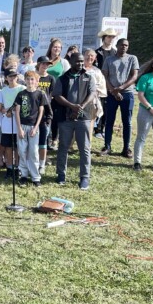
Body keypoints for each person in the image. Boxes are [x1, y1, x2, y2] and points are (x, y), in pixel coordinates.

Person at [53, 54, 97, 191]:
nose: (80, 64)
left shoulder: (88, 77)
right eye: (77, 61)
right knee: (63, 146)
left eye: (82, 61)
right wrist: (72, 106)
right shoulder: (62, 78)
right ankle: (61, 174)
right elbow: (57, 95)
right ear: (71, 62)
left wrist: (81, 107)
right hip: (65, 117)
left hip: (84, 117)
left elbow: (92, 93)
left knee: (84, 148)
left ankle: (84, 177)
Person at [102, 38, 140, 158]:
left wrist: (121, 88)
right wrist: (113, 90)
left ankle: (126, 148)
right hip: (111, 94)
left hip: (127, 93)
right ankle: (107, 146)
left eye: (126, 45)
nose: (124, 47)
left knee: (127, 122)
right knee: (109, 121)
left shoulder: (132, 58)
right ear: (117, 45)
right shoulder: (109, 59)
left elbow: (134, 76)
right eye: (122, 45)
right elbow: (104, 76)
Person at [13, 71, 50, 186]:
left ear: (36, 81)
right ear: (25, 80)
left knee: (33, 152)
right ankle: (23, 175)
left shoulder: (40, 94)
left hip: (34, 127)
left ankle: (35, 177)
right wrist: (19, 128)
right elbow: (17, 112)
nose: (30, 81)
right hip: (22, 126)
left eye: (32, 79)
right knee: (22, 151)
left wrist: (36, 127)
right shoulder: (21, 94)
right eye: (28, 79)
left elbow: (41, 112)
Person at [44, 37, 69, 150]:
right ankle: (45, 139)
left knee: (56, 117)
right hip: (44, 93)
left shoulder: (63, 62)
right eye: (55, 47)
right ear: (51, 48)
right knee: (45, 117)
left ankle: (54, 139)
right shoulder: (45, 60)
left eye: (59, 47)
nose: (57, 49)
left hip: (58, 94)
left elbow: (67, 77)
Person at [0, 68, 25, 178]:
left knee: (18, 147)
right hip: (6, 122)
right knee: (9, 147)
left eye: (14, 76)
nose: (12, 78)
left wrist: (12, 110)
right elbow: (0, 105)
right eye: (10, 76)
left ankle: (18, 168)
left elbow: (24, 104)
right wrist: (4, 111)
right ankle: (10, 168)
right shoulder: (3, 90)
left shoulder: (22, 89)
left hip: (19, 123)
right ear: (6, 78)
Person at [34, 56, 56, 176]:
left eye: (47, 64)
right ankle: (34, 161)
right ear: (38, 64)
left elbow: (51, 94)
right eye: (43, 64)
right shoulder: (34, 77)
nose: (45, 66)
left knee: (45, 138)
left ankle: (42, 163)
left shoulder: (51, 78)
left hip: (46, 110)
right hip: (33, 112)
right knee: (33, 139)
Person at [83, 49, 107, 138]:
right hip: (78, 100)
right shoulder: (78, 68)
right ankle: (70, 144)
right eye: (88, 55)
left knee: (90, 123)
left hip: (92, 101)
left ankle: (87, 145)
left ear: (95, 58)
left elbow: (102, 86)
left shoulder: (97, 71)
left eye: (92, 56)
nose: (89, 57)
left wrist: (94, 91)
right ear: (84, 56)